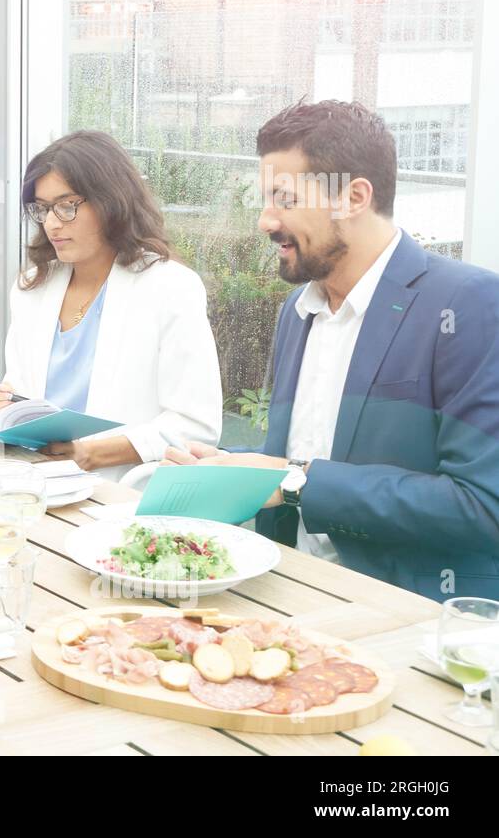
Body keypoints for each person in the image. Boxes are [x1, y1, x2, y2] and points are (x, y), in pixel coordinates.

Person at [164, 100, 499, 601]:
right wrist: (230, 469)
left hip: (407, 618)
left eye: (284, 199)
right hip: (283, 592)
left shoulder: (469, 305)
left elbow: (483, 506)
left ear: (355, 197)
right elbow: (311, 459)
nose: (264, 221)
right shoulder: (299, 309)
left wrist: (295, 482)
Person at [0, 130, 222, 481]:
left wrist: (91, 454)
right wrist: (5, 408)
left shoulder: (171, 287)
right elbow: (22, 390)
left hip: (121, 495)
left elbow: (194, 425)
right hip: (34, 483)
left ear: (112, 202)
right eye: (43, 209)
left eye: (67, 206)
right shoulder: (32, 288)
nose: (51, 223)